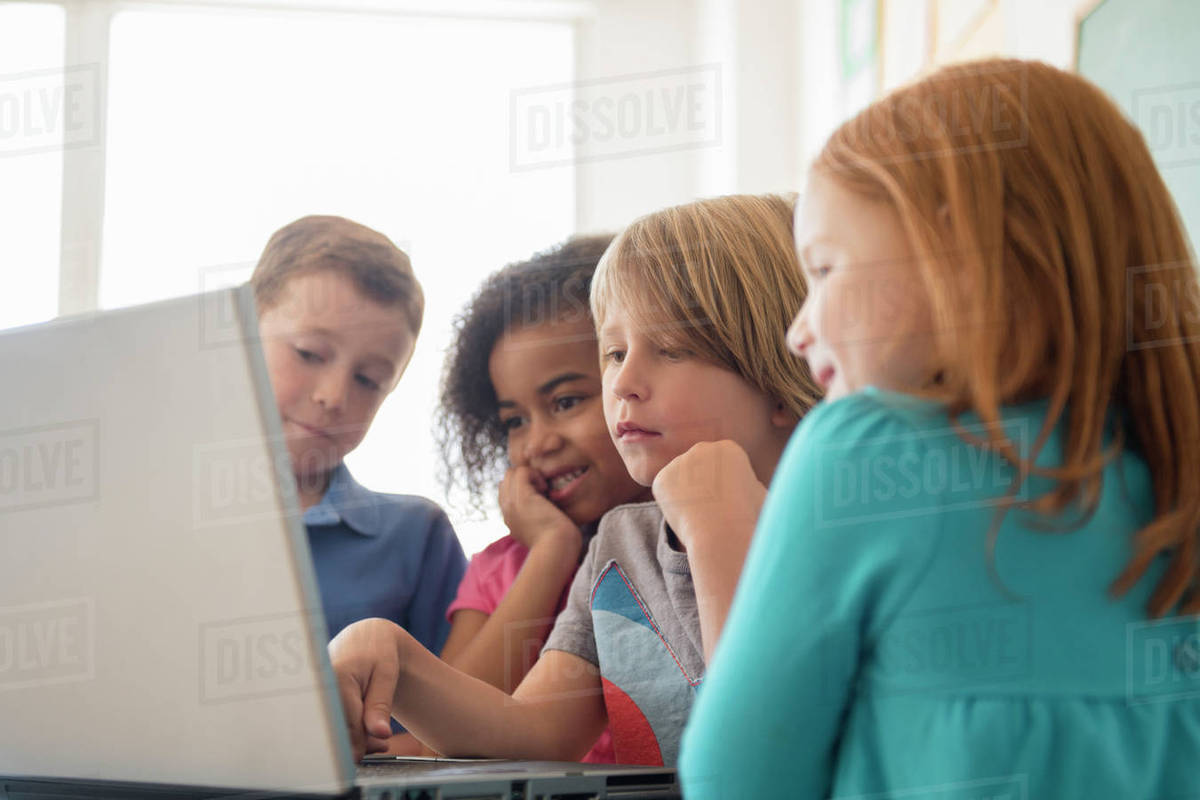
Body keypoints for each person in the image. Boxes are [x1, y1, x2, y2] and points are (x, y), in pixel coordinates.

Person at [680, 59, 1200, 799]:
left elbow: (736, 776)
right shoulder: (1174, 474)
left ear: (961, 254)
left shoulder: (859, 452)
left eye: (824, 271)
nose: (800, 331)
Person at [328, 194, 821, 766]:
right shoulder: (620, 546)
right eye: (613, 352)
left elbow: (768, 752)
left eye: (671, 348)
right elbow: (537, 734)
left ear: (782, 374)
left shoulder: (831, 534)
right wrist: (393, 654)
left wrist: (715, 527)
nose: (625, 382)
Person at [427, 235, 649, 762]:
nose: (539, 442)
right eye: (515, 421)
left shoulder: (678, 542)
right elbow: (442, 730)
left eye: (566, 401)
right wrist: (551, 551)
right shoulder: (498, 570)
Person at [251, 215, 466, 655]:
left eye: (368, 380)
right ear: (241, 327)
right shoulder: (153, 502)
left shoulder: (418, 537)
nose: (333, 396)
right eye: (309, 353)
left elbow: (465, 711)